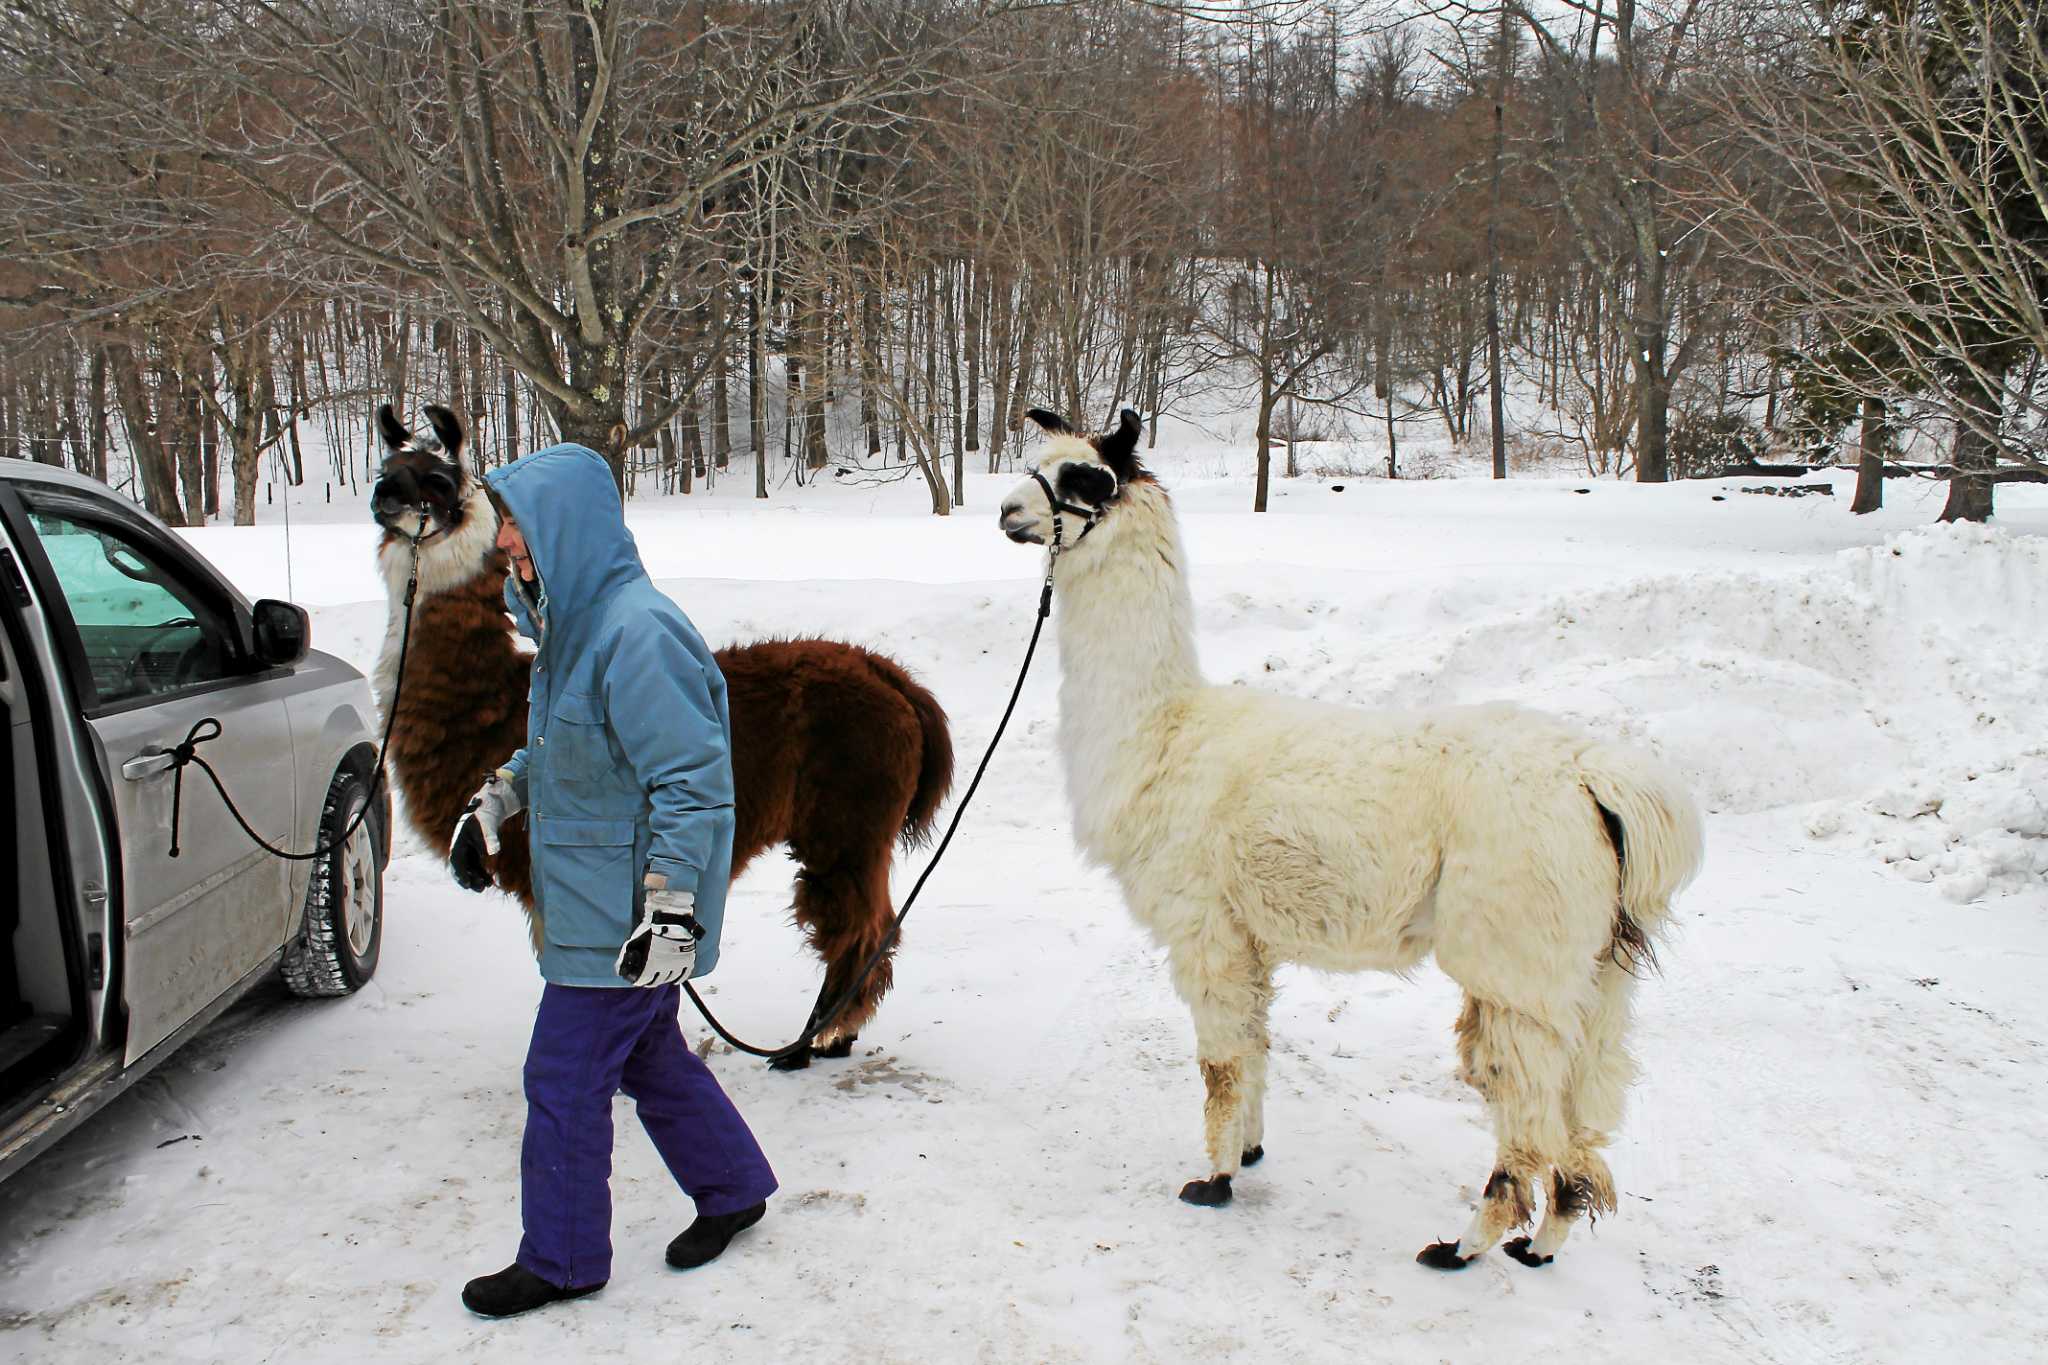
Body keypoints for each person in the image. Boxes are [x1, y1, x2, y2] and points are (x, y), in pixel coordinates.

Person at [445, 441, 777, 1320]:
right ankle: (733, 1182)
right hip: (592, 904)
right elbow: (562, 751)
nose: (504, 542)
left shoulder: (636, 631)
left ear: (563, 525)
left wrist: (671, 909)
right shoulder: (571, 629)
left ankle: (560, 1258)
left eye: (513, 522)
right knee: (650, 1056)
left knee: (562, 1079)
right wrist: (496, 801)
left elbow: (693, 783)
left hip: (624, 918)